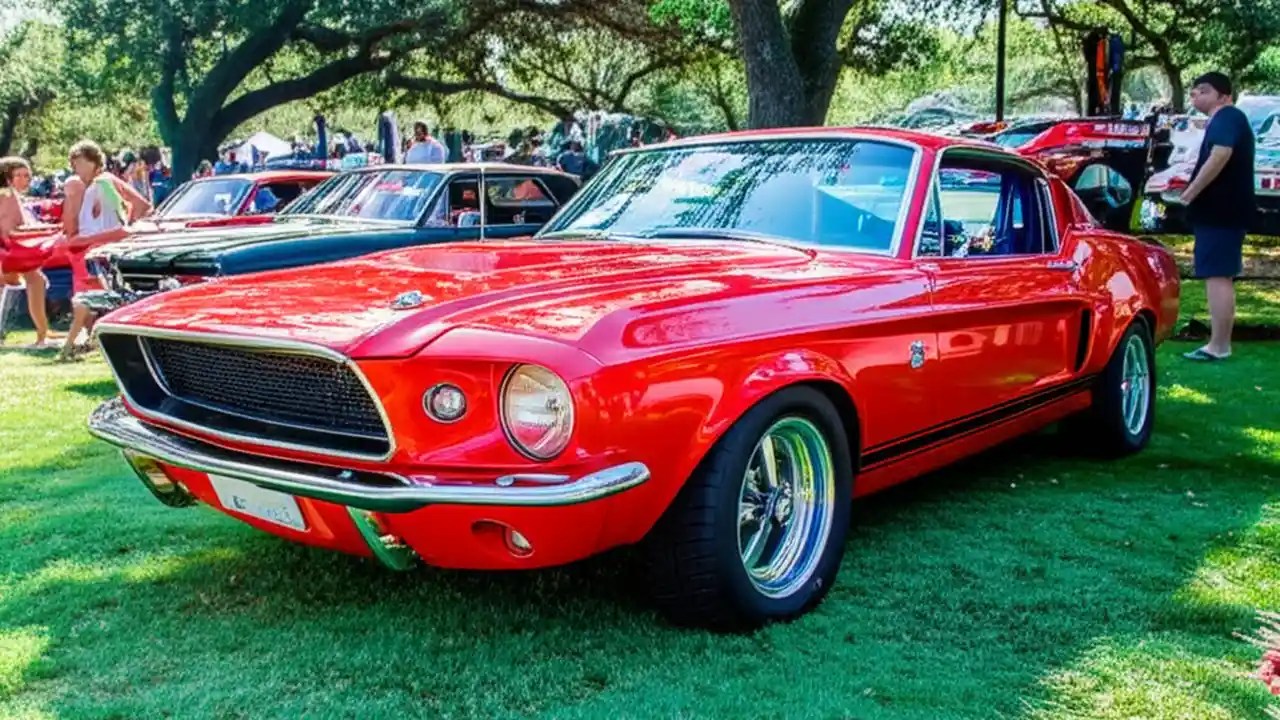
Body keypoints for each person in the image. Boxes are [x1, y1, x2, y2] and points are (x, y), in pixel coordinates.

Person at [1178, 72, 1256, 362]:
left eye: (1204, 91)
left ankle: (1219, 346)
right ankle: (1219, 343)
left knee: (1218, 275)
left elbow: (1221, 153)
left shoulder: (1228, 116)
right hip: (1223, 212)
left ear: (1224, 96)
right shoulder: (1223, 120)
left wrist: (1189, 193)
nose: (1196, 96)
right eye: (1194, 92)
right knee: (1217, 273)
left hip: (1222, 212)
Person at [58, 140, 152, 361]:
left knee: (92, 299)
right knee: (89, 299)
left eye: (80, 163)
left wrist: (124, 231)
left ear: (93, 161)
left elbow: (139, 206)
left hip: (104, 250)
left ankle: (70, 346)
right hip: (94, 249)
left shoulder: (104, 182)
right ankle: (77, 345)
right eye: (74, 165)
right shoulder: (91, 186)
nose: (77, 170)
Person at [0, 156, 60, 348]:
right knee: (36, 281)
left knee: (35, 281)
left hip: (8, 249)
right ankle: (42, 335)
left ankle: (43, 332)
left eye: (28, 175)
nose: (25, 179)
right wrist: (47, 230)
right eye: (19, 175)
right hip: (10, 249)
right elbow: (9, 228)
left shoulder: (7, 194)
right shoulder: (8, 195)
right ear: (8, 177)